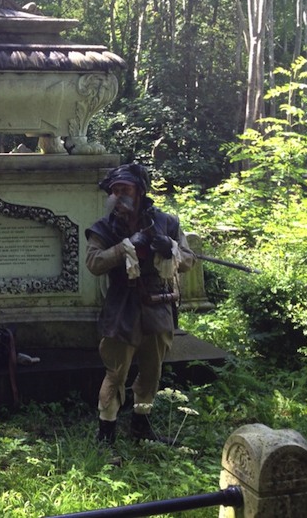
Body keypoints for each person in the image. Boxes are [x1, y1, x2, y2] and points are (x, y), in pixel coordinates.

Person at [85, 164, 195, 445]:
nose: (118, 195)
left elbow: (188, 260)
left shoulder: (167, 223)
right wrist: (124, 247)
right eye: (115, 190)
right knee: (116, 371)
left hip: (158, 304)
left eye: (125, 189)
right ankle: (105, 436)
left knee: (151, 371)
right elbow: (94, 263)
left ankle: (141, 427)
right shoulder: (104, 228)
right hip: (122, 306)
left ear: (140, 191)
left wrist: (168, 247)